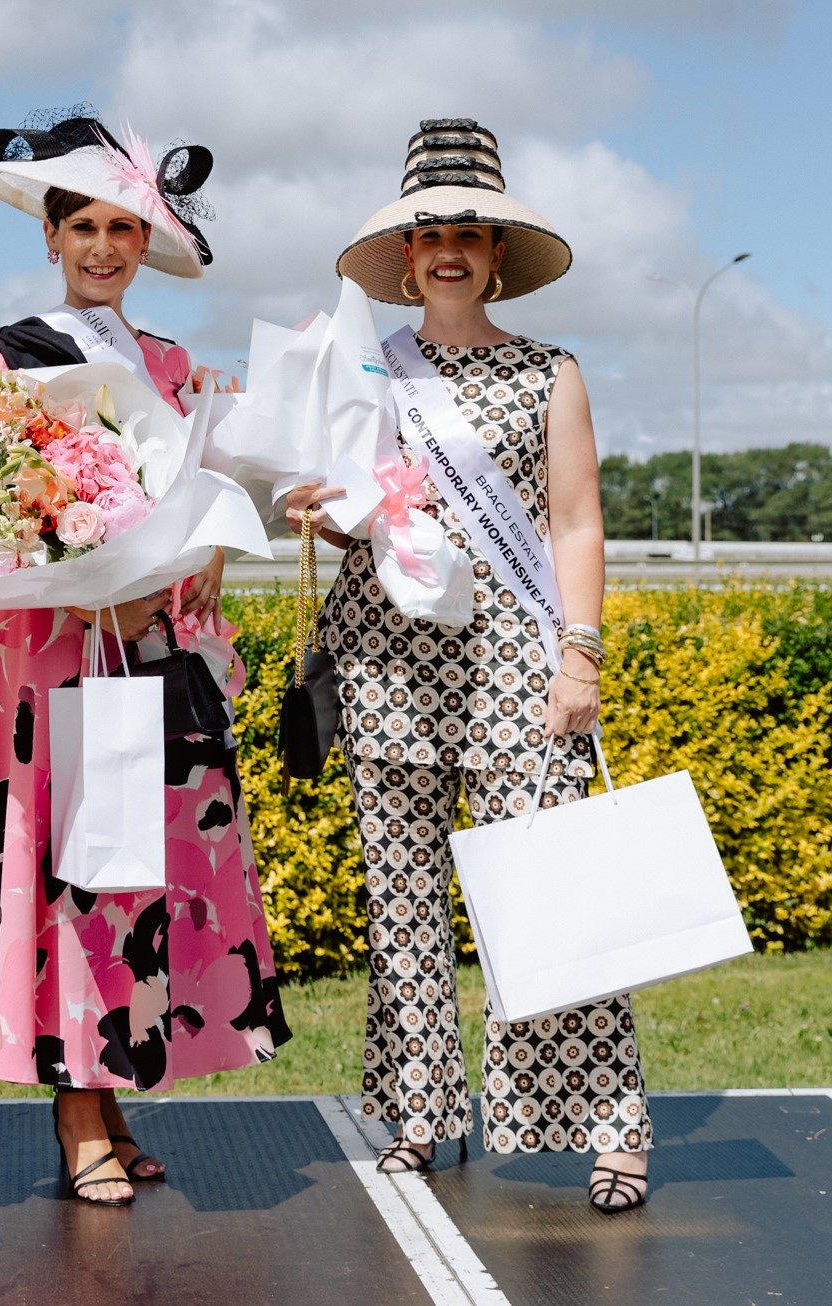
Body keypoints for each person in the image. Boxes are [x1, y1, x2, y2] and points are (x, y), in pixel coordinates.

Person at [290, 119, 651, 1213]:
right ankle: (421, 1111)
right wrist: (319, 504)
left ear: (498, 254)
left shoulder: (552, 372)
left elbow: (577, 523)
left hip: (514, 665)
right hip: (386, 663)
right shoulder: (362, 373)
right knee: (400, 901)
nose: (449, 249)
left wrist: (579, 656)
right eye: (429, 232)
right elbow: (350, 508)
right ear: (405, 258)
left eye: (469, 232)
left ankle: (611, 1124)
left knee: (547, 897)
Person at [0, 110, 291, 1206]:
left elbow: (199, 510)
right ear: (49, 237)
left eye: (122, 229)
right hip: (43, 661)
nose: (101, 247)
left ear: (146, 244)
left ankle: (112, 1087)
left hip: (148, 650)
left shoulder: (180, 366)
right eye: (82, 226)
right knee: (67, 868)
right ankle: (78, 1110)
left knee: (131, 865)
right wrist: (44, 527)